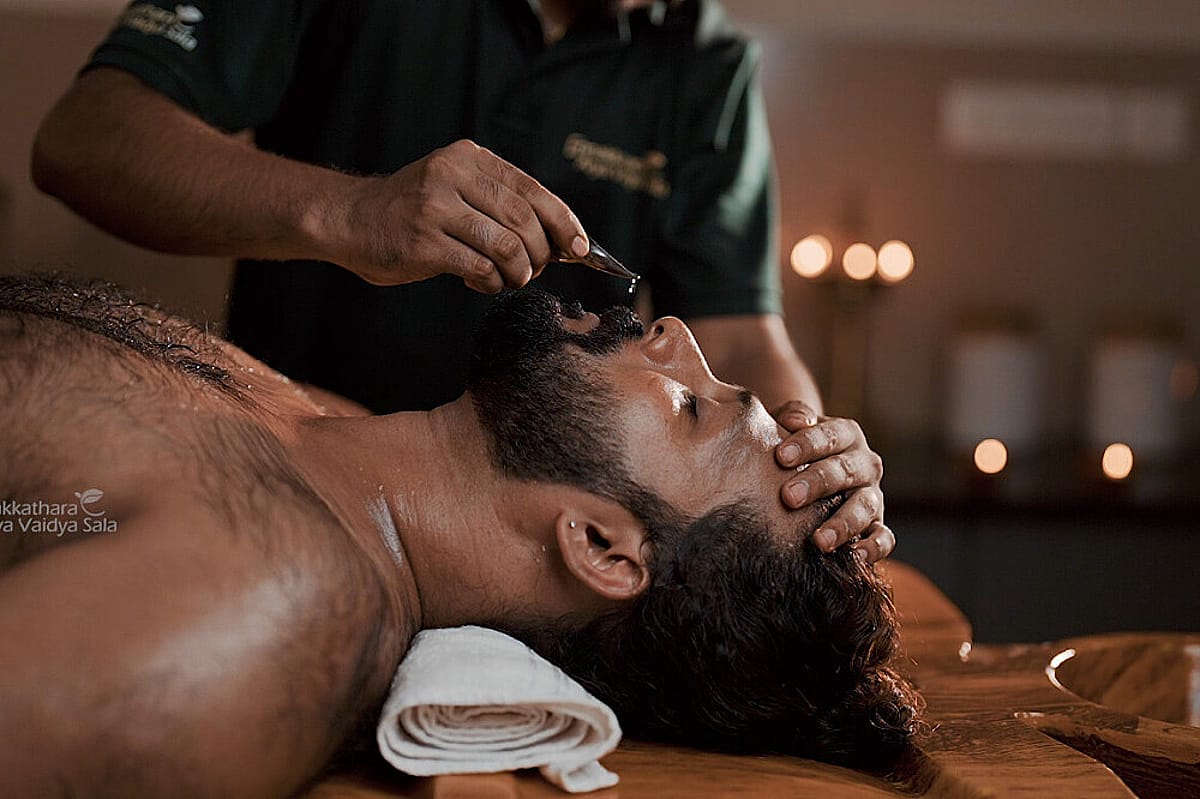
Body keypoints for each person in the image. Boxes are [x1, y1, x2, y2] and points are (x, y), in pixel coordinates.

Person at [31, 0, 894, 560]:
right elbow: (84, 138)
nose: (663, 333)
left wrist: (807, 466)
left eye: (694, 398)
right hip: (277, 491)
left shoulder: (707, 66)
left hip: (521, 562)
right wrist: (350, 213)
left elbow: (739, 329)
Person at [0, 275, 917, 797]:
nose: (676, 331)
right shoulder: (327, 434)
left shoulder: (258, 610)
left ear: (599, 546)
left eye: (689, 407)